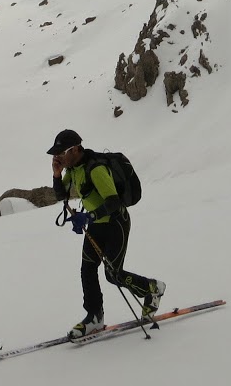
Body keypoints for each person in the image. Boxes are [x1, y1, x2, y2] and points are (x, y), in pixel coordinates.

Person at [48, 129, 165, 339]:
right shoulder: (73, 169)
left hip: (115, 223)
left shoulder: (96, 169)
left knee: (113, 274)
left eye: (61, 153)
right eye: (55, 154)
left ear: (75, 149)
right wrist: (57, 174)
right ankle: (94, 317)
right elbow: (60, 195)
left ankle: (152, 288)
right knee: (88, 269)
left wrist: (89, 217)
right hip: (96, 225)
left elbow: (113, 201)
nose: (58, 157)